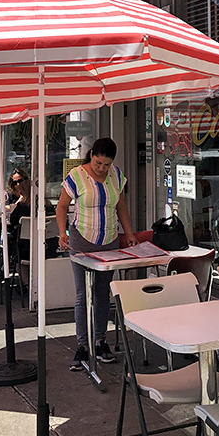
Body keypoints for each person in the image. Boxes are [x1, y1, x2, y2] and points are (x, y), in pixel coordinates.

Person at [56, 137, 137, 370]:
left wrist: (129, 233)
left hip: (109, 240)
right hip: (81, 240)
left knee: (102, 293)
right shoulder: (77, 176)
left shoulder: (116, 176)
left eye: (106, 165)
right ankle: (82, 346)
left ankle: (100, 341)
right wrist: (62, 233)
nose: (102, 168)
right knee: (83, 294)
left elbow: (121, 206)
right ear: (92, 155)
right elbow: (61, 206)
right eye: (99, 163)